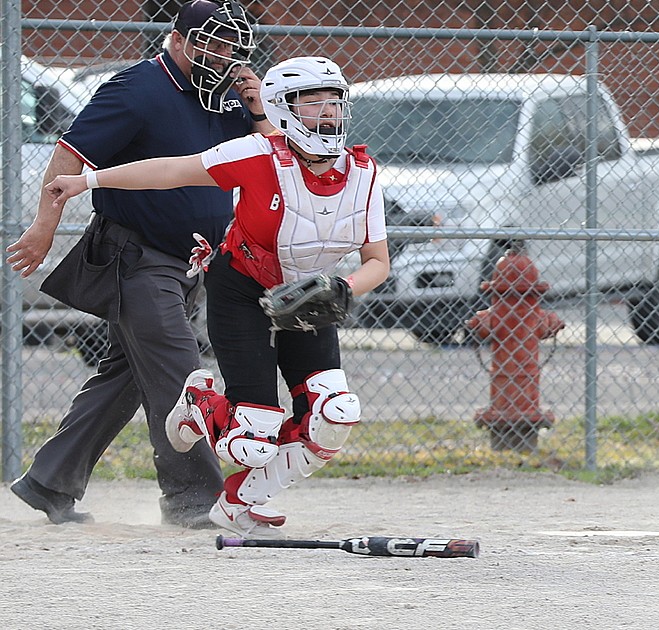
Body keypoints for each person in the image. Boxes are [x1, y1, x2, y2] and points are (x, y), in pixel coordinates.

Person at [45, 56, 390, 536]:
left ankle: (238, 506)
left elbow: (378, 263)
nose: (328, 114)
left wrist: (339, 287)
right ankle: (199, 406)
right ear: (284, 109)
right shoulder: (258, 154)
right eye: (313, 103)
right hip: (243, 291)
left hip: (309, 299)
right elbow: (172, 171)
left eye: (334, 103)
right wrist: (88, 180)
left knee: (334, 414)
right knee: (250, 438)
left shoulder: (363, 173)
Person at [6, 0, 272, 528]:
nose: (222, 58)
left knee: (126, 375)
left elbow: (271, 161)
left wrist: (260, 108)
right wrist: (43, 226)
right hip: (137, 255)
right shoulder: (136, 90)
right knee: (179, 372)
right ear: (178, 41)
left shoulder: (227, 99)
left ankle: (49, 483)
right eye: (210, 46)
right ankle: (194, 499)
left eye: (230, 49)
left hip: (192, 262)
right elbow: (70, 154)